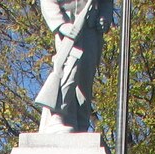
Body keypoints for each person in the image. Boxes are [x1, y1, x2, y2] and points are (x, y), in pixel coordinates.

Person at [34, 0, 116, 134]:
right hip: (69, 27)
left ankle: (80, 126)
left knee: (85, 82)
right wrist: (60, 24)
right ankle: (57, 116)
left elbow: (106, 2)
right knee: (69, 70)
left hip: (91, 28)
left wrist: (105, 17)